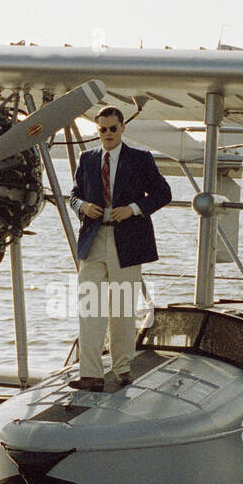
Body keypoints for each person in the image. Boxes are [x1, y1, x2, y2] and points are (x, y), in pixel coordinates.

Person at [66, 106, 172, 391]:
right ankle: (90, 374)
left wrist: (133, 209)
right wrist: (82, 206)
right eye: (103, 129)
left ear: (123, 128)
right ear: (97, 130)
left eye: (113, 128)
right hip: (93, 239)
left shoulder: (140, 158)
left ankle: (122, 368)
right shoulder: (87, 159)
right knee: (90, 308)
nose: (108, 134)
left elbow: (163, 193)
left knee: (122, 309)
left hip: (127, 240)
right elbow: (73, 195)